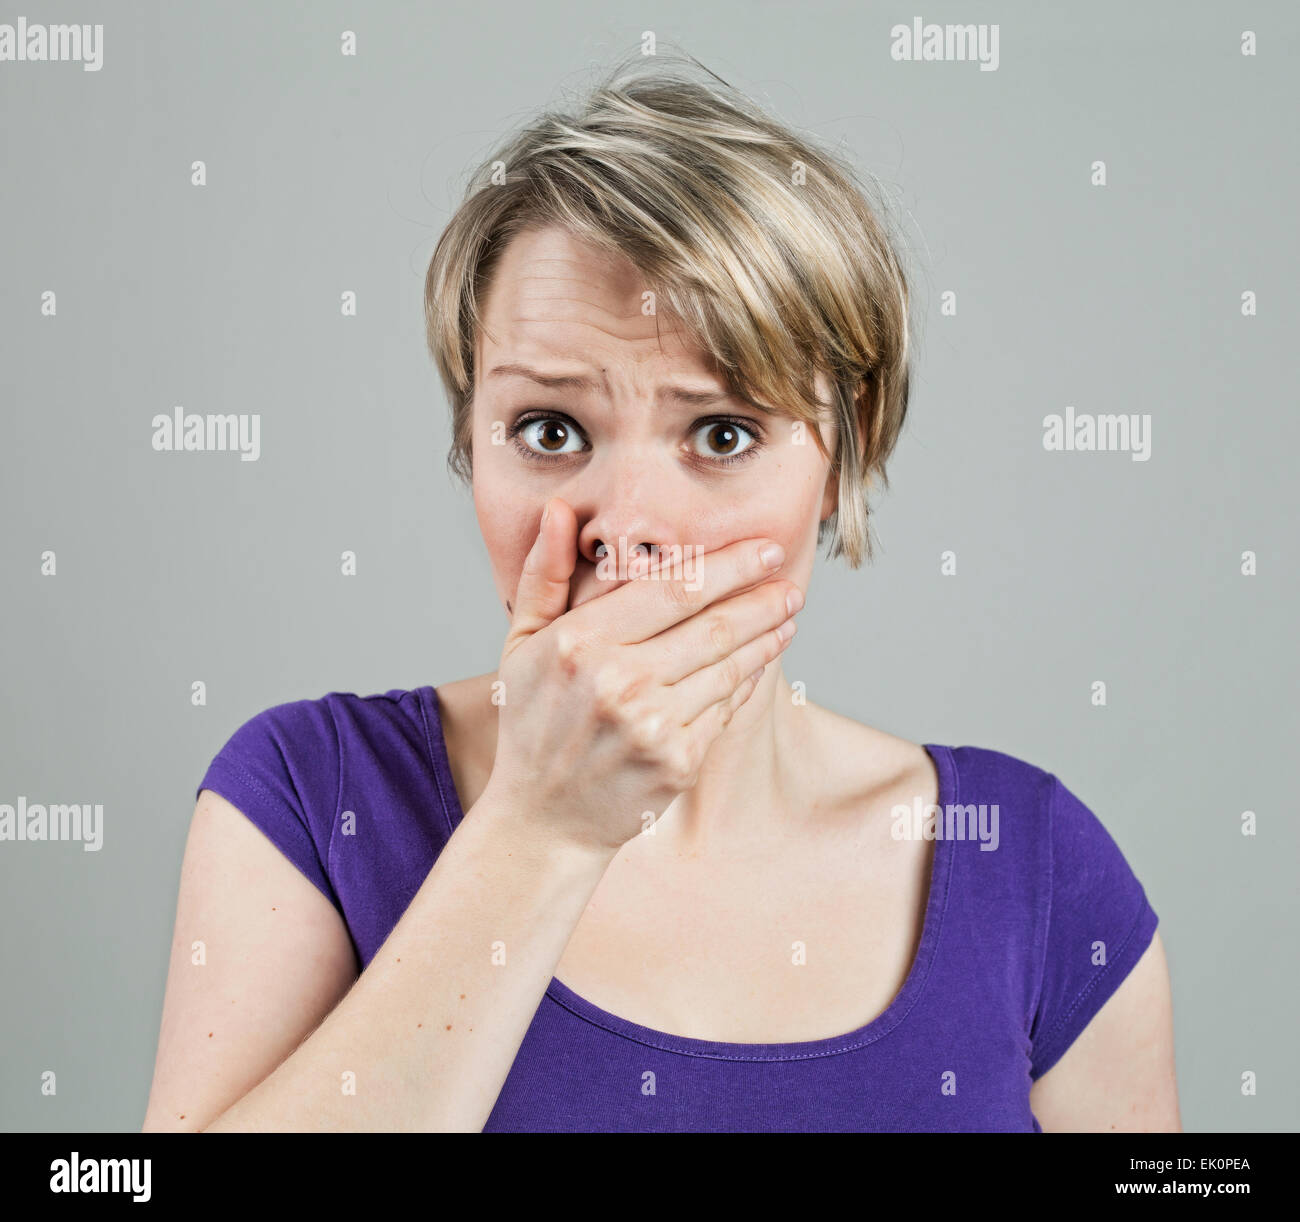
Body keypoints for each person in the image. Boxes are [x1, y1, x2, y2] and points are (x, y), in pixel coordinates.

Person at [142, 51, 1178, 1133]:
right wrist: (542, 825)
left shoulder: (1034, 869)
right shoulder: (309, 799)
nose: (628, 522)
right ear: (469, 439)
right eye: (549, 430)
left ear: (846, 448)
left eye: (722, 433)